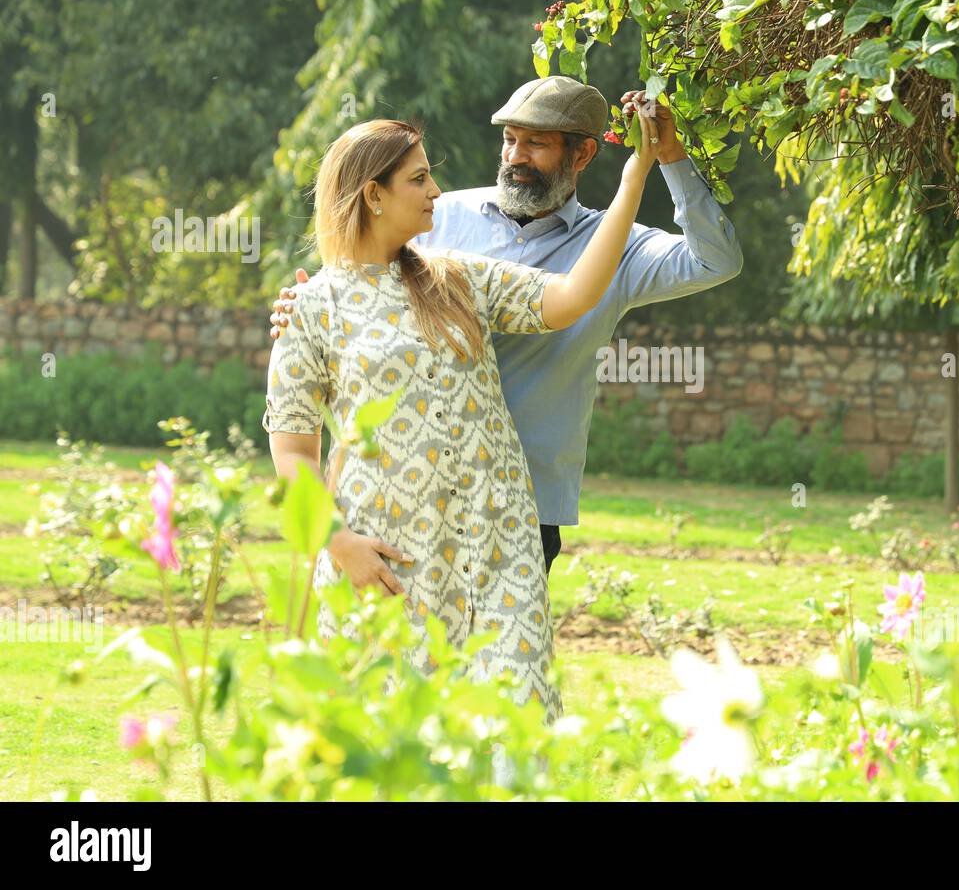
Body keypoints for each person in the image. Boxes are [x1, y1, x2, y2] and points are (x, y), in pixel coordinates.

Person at [262, 109, 660, 727]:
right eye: (419, 180)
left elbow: (571, 298)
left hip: (497, 548)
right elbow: (291, 455)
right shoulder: (313, 307)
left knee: (515, 733)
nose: (436, 192)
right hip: (388, 560)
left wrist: (635, 176)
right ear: (373, 195)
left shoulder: (456, 279)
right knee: (394, 747)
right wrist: (340, 546)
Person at [270, 77, 744, 578]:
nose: (515, 156)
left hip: (526, 504)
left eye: (535, 143)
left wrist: (666, 159)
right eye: (509, 139)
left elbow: (716, 261)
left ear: (582, 155)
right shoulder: (437, 218)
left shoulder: (617, 247)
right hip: (408, 493)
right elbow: (357, 282)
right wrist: (303, 305)